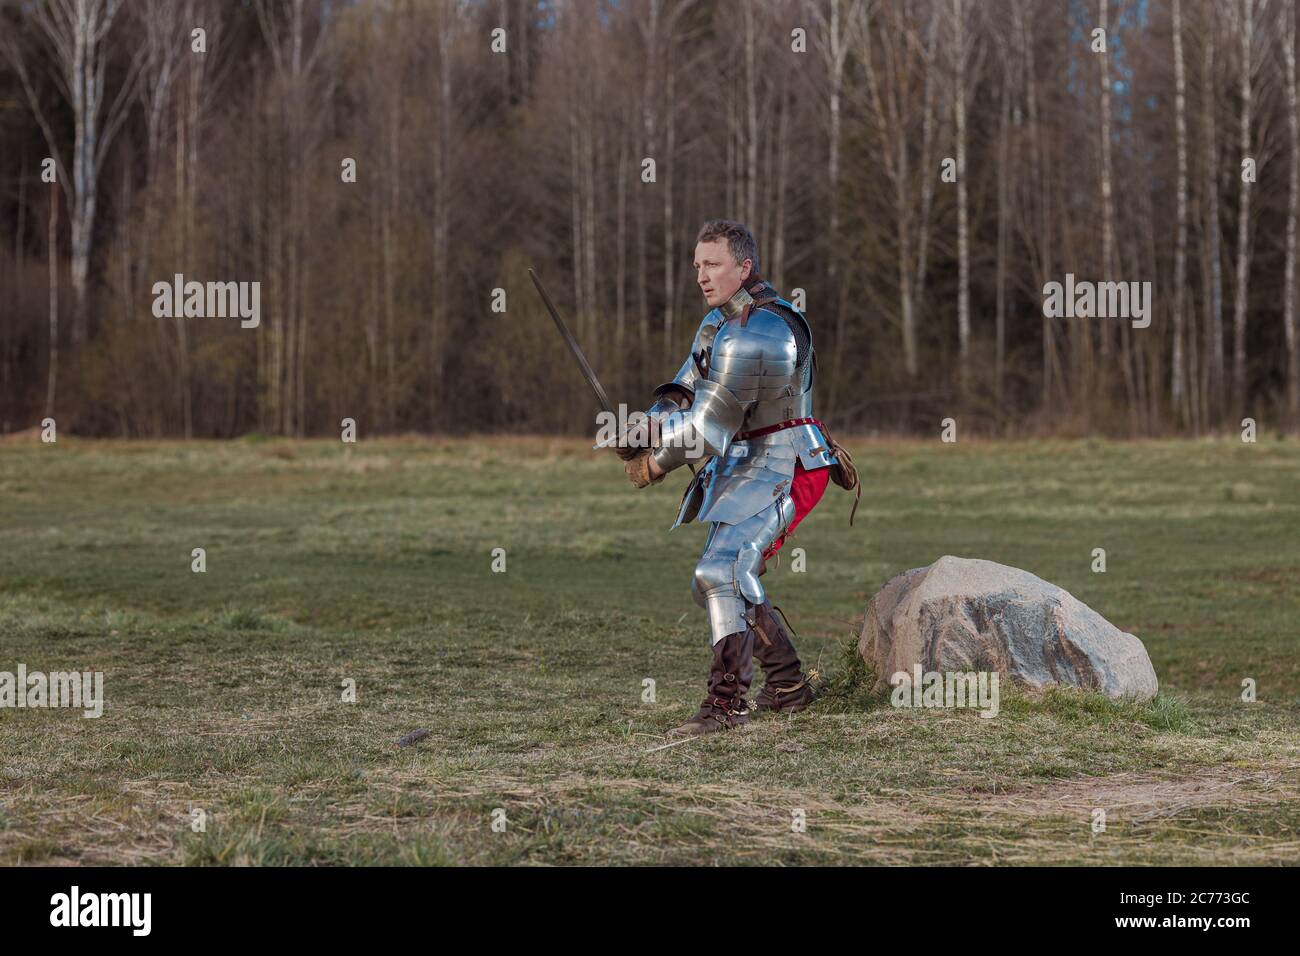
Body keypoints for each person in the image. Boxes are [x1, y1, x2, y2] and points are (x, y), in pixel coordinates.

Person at [617, 219, 856, 736]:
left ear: (744, 268)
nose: (701, 276)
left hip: (786, 460)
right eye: (697, 265)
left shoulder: (759, 331)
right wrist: (645, 422)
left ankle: (726, 706)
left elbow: (707, 428)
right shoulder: (721, 323)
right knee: (721, 577)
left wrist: (653, 465)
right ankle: (789, 686)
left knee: (720, 572)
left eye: (713, 265)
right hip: (748, 459)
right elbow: (685, 388)